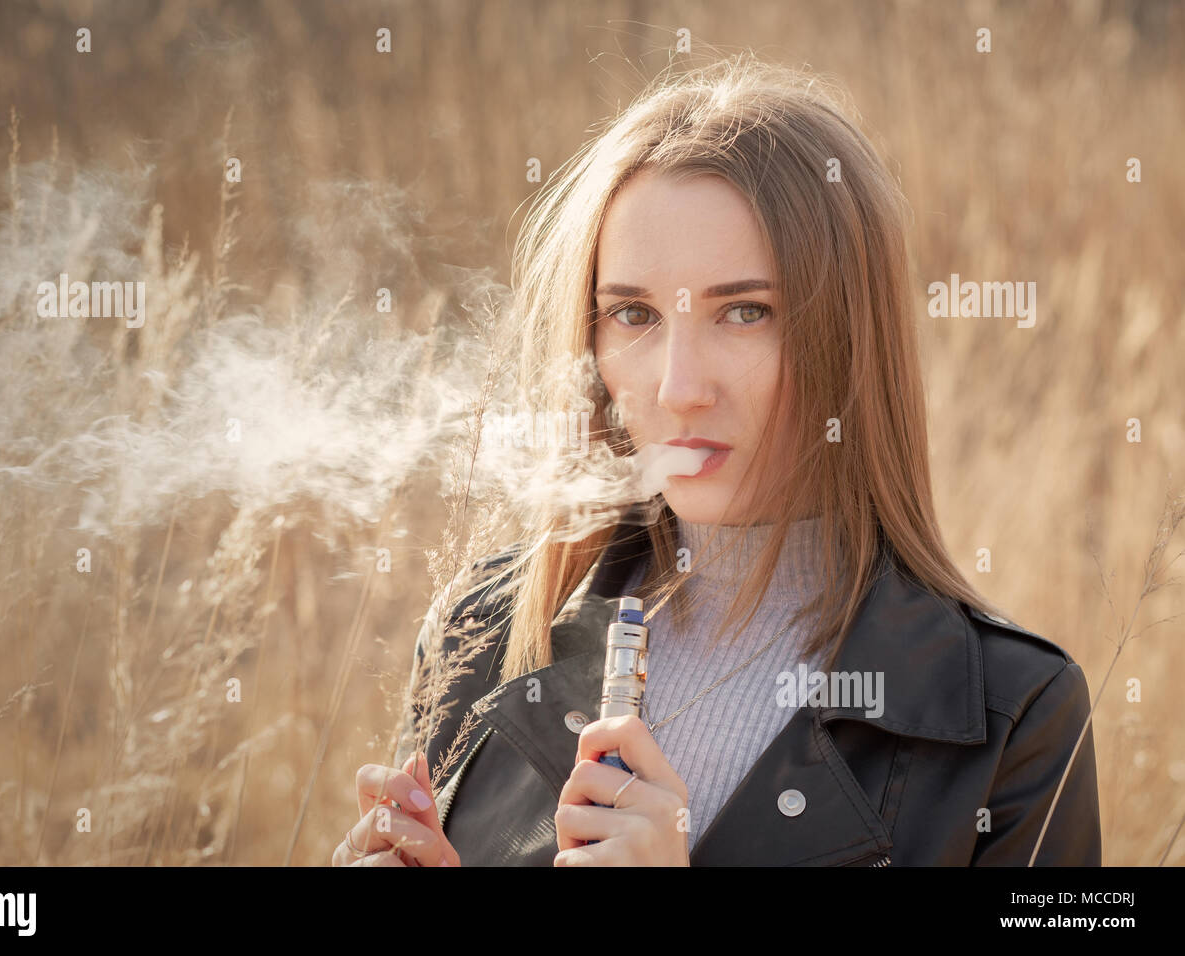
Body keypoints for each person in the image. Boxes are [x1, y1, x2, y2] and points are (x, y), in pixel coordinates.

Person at [332, 54, 1100, 867]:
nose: (679, 387)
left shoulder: (1012, 715)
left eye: (744, 311)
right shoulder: (480, 633)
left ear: (849, 337)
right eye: (633, 313)